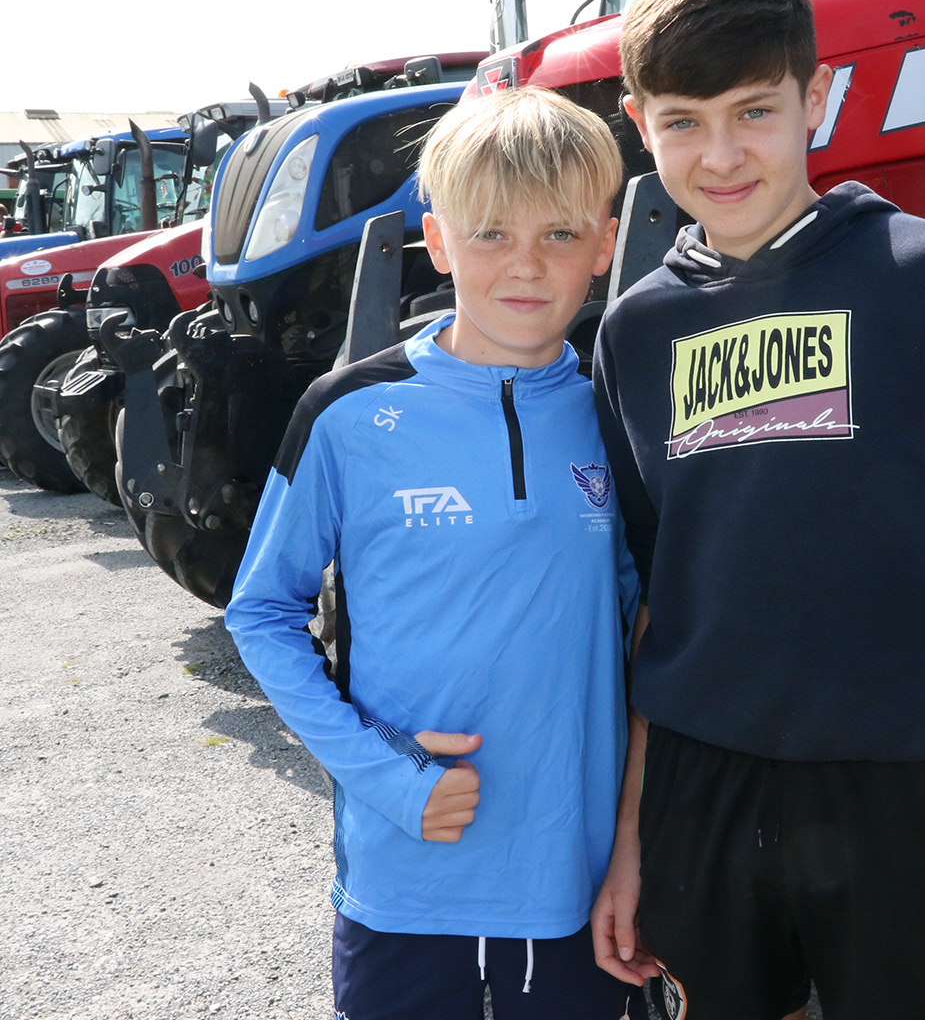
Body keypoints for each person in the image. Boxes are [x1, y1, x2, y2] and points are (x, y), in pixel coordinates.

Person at [589, 0, 925, 1020]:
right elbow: (654, 603)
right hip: (699, 787)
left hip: (898, 785)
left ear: (817, 95)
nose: (720, 154)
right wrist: (632, 837)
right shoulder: (637, 331)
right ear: (639, 122)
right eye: (682, 120)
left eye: (753, 112)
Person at [225, 87, 639, 1020]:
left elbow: (647, 625)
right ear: (438, 242)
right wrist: (383, 774)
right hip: (409, 879)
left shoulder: (620, 414)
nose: (526, 268)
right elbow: (260, 611)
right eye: (490, 235)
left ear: (605, 245)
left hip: (576, 887)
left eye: (561, 237)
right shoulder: (346, 414)